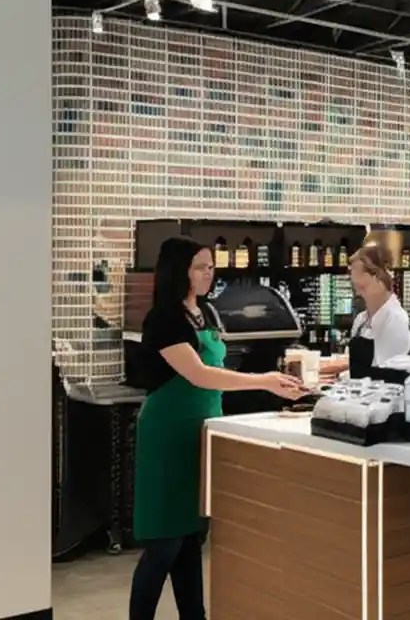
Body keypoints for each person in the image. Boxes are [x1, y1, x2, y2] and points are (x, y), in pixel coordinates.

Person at [130, 237, 307, 620]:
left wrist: (268, 383)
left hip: (202, 430)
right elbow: (199, 374)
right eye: (200, 266)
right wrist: (263, 381)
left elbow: (216, 373)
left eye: (211, 266)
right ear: (180, 271)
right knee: (164, 542)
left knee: (191, 539)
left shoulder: (205, 312)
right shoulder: (163, 318)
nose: (209, 273)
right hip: (168, 435)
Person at [322, 244, 410, 377]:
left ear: (377, 276)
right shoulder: (361, 320)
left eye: (357, 272)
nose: (352, 278)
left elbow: (390, 370)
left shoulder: (395, 318)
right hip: (360, 394)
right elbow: (356, 366)